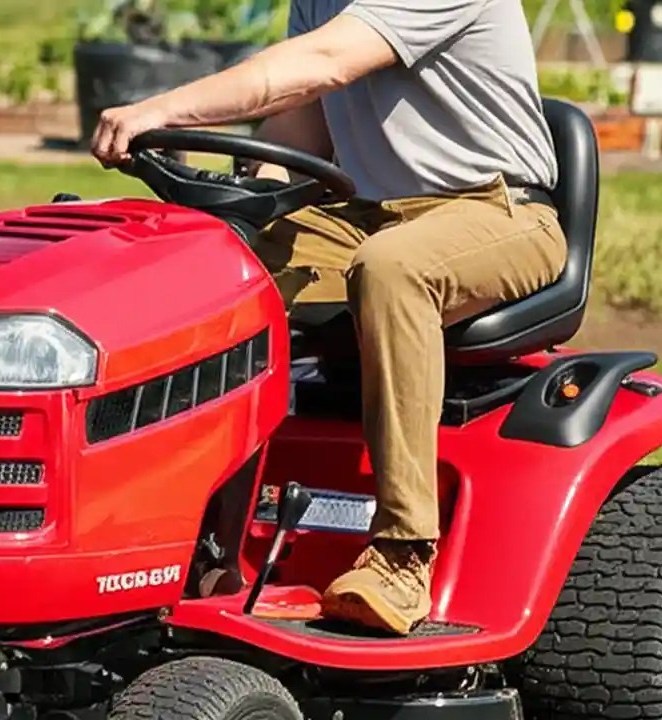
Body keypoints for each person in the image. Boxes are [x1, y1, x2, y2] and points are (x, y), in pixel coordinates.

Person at [91, 0, 568, 636]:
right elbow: (299, 133)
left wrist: (161, 109)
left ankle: (403, 554)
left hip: (500, 212)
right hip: (363, 215)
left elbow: (321, 63)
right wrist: (242, 207)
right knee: (208, 266)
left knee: (394, 269)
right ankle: (185, 529)